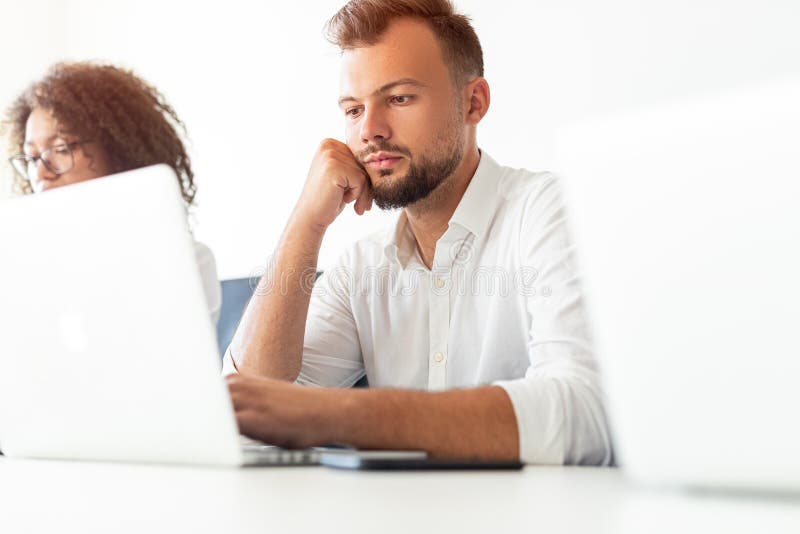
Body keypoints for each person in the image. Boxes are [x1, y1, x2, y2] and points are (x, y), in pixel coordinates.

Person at [224, 0, 612, 464]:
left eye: (399, 98)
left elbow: (585, 417)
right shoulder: (361, 268)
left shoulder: (546, 211)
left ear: (474, 102)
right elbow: (244, 422)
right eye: (352, 110)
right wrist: (307, 223)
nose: (370, 131)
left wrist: (346, 415)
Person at [2, 62, 221, 325]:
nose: (40, 173)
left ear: (118, 152)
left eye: (61, 149)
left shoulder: (186, 261)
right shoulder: (24, 266)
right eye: (32, 157)